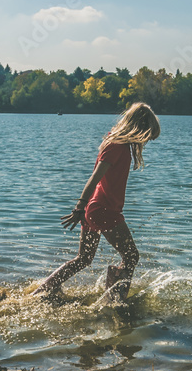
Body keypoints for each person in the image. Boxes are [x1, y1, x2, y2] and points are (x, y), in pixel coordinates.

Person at [33, 103, 160, 299]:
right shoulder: (117, 146)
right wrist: (79, 208)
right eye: (146, 135)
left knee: (83, 259)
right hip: (103, 210)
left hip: (95, 208)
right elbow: (94, 177)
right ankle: (115, 300)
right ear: (139, 128)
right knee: (131, 256)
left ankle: (43, 290)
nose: (145, 142)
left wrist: (83, 209)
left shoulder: (117, 143)